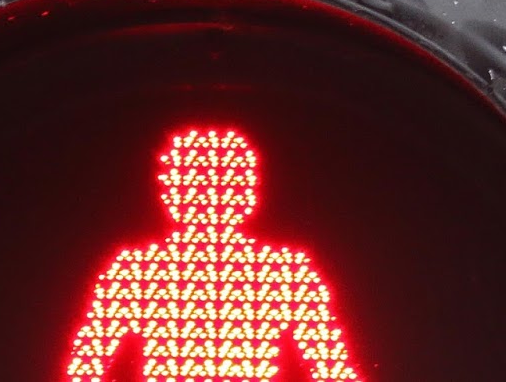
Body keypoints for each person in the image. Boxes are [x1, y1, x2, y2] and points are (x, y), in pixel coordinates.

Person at [65, 126, 361, 381]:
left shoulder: (137, 271)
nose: (211, 195)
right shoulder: (285, 272)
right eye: (199, 182)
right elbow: (333, 372)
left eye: (223, 181)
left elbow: (86, 369)